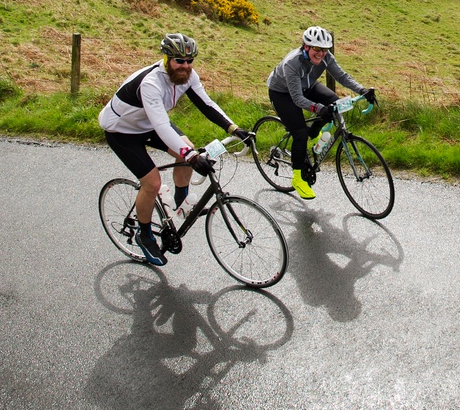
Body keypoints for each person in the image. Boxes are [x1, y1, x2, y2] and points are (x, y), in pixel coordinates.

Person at [99, 33, 246, 266]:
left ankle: (181, 203)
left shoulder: (188, 76)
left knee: (185, 148)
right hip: (122, 131)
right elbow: (161, 126)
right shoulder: (150, 83)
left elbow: (206, 104)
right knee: (153, 182)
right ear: (166, 59)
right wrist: (191, 156)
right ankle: (144, 235)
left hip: (148, 123)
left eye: (189, 61)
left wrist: (234, 128)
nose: (185, 66)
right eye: (179, 61)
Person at [266, 25, 376, 201]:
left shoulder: (326, 57)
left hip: (307, 85)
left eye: (324, 49)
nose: (321, 53)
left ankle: (314, 133)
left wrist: (362, 90)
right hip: (283, 93)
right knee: (300, 134)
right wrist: (318, 108)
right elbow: (297, 99)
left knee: (333, 101)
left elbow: (342, 77)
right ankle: (297, 178)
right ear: (306, 46)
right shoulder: (292, 63)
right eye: (316, 49)